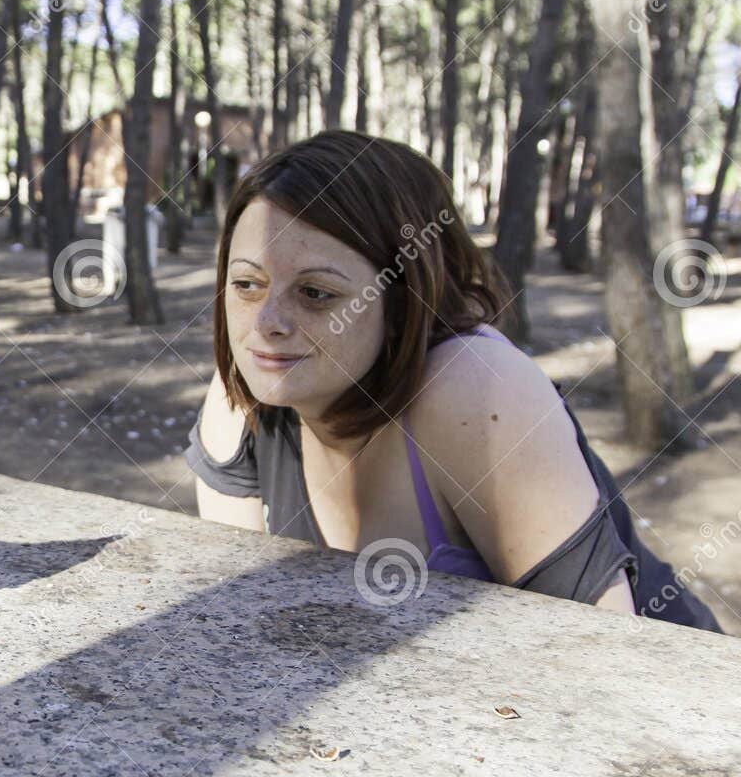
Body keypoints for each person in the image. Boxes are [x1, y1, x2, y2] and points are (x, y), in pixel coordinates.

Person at [186, 130, 720, 632]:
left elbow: (598, 656)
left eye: (316, 294)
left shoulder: (478, 390)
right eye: (247, 283)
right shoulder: (245, 390)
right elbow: (241, 614)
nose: (266, 323)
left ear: (402, 300)